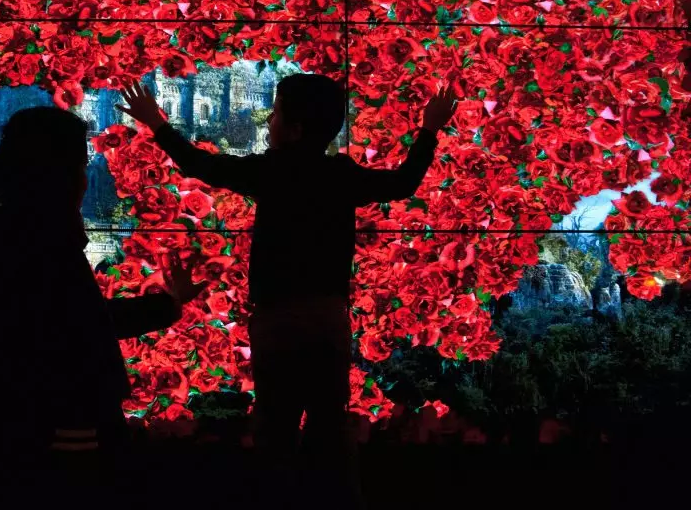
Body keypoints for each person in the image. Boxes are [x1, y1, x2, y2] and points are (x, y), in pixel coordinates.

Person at [119, 74, 457, 507]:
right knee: (330, 432)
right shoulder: (340, 175)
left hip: (278, 319)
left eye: (275, 114)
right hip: (327, 317)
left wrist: (157, 123)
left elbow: (202, 166)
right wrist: (428, 129)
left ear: (293, 128)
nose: (270, 122)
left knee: (275, 431)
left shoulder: (271, 171)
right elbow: (403, 183)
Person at [0, 106, 206, 507]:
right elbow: (82, 326)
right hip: (54, 421)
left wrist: (166, 307)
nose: (87, 178)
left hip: (4, 422)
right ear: (59, 176)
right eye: (80, 164)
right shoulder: (45, 242)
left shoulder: (4, 228)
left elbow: (70, 319)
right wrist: (166, 307)